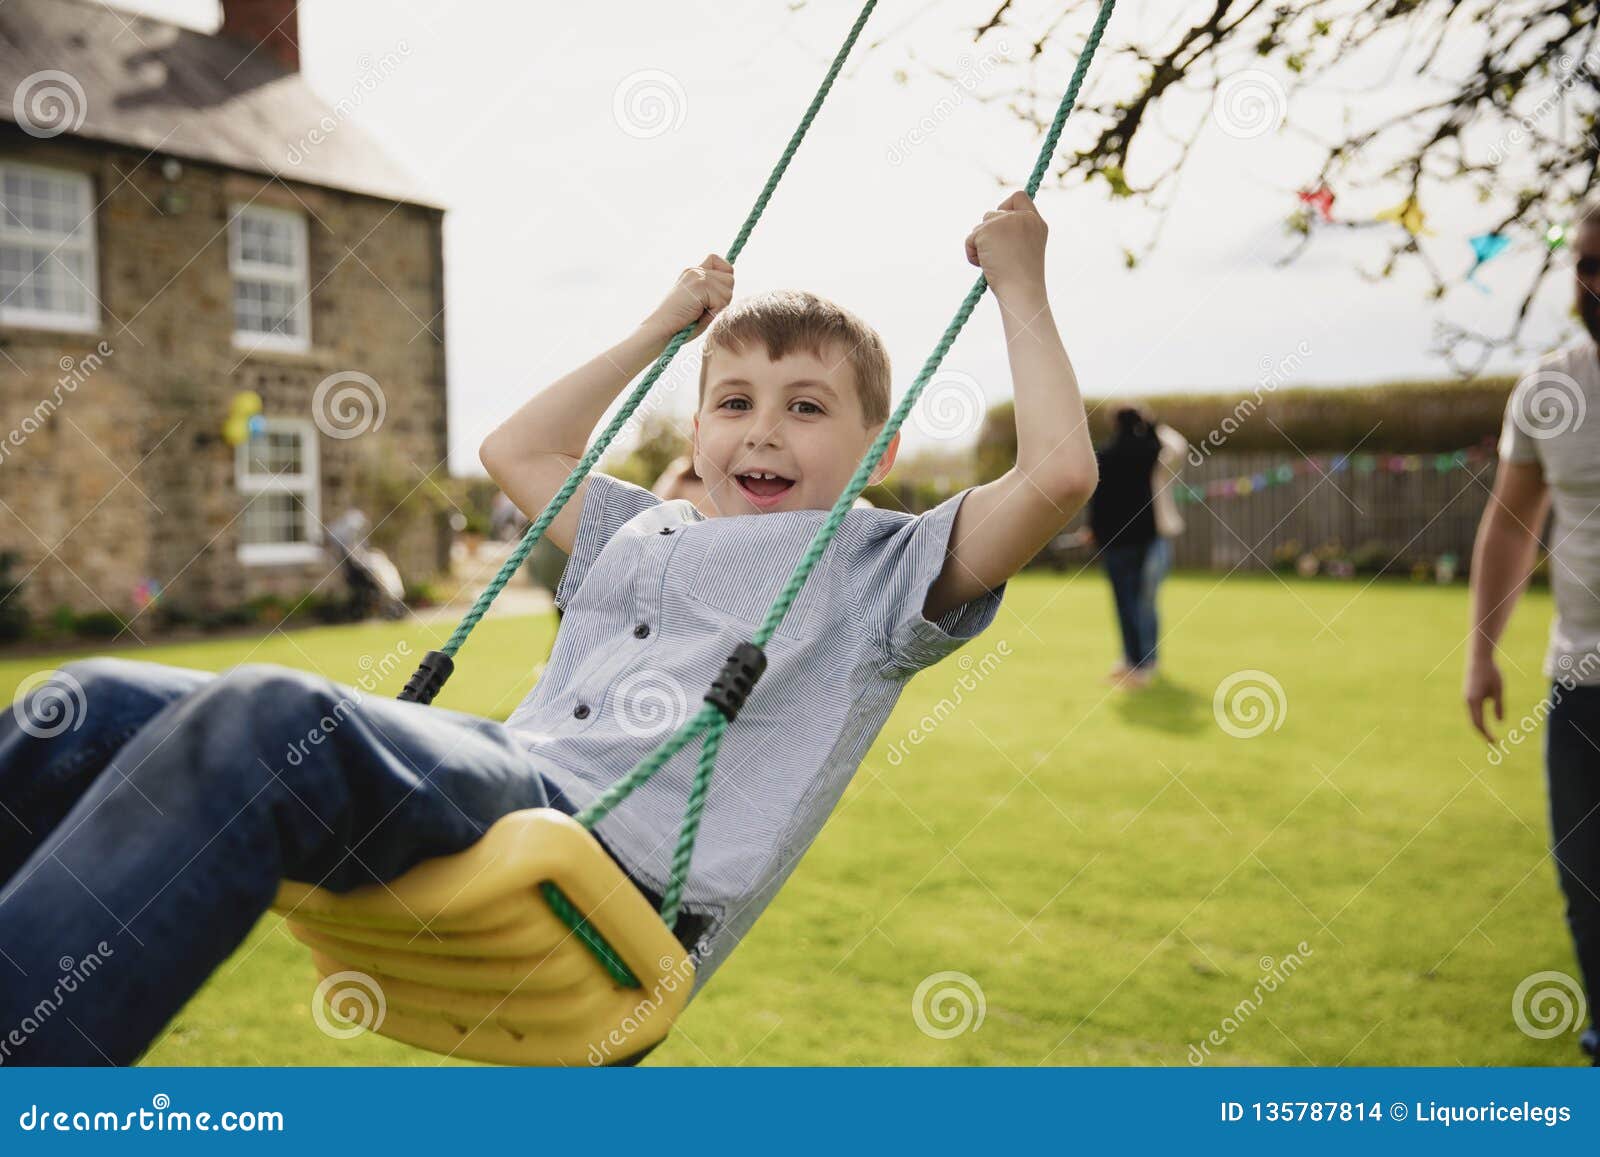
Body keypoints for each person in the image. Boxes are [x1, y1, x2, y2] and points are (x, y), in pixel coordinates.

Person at [0, 190, 1097, 1065]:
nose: (762, 431)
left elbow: (1056, 474)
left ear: (877, 452)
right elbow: (515, 449)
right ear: (700, 425)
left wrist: (1019, 283)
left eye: (806, 407)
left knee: (268, 714)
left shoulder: (883, 564)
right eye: (733, 402)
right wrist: (665, 326)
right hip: (497, 782)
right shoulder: (645, 524)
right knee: (81, 702)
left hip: (597, 866)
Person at [1465, 195, 1600, 1067]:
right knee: (1587, 895)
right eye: (1584, 262)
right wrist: (1482, 652)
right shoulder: (1553, 387)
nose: (1593, 280)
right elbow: (1512, 526)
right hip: (1582, 688)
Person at [1085, 407, 1164, 688]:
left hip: (1116, 541)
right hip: (1144, 538)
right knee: (1142, 602)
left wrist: (1093, 530)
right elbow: (1157, 442)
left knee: (1125, 602)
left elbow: (1096, 500)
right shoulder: (1146, 452)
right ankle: (1144, 661)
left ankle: (1134, 662)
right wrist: (1151, 424)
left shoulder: (1105, 455)